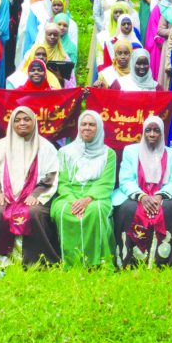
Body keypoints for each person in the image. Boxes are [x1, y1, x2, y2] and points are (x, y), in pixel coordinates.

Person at [0, 106, 61, 267]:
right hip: (4, 196)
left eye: (26, 119)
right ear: (11, 124)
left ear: (34, 122)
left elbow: (52, 175)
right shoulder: (0, 146)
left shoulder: (45, 147)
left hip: (33, 196)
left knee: (33, 212)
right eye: (17, 120)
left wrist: (36, 195)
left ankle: (36, 260)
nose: (22, 123)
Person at [50, 111, 117, 268]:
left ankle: (97, 262)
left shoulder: (109, 154)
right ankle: (70, 262)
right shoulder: (65, 152)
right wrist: (74, 201)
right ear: (79, 127)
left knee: (96, 210)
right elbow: (63, 182)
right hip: (69, 196)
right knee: (63, 211)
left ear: (99, 128)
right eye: (84, 124)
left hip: (96, 197)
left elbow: (106, 183)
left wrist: (87, 199)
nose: (87, 128)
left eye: (92, 125)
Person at [113, 116, 172, 268]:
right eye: (148, 130)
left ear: (162, 133)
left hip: (162, 194)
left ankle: (163, 261)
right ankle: (130, 259)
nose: (152, 134)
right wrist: (142, 196)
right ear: (143, 133)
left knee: (169, 208)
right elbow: (125, 180)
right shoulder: (131, 151)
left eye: (156, 130)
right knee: (128, 209)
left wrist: (159, 196)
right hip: (136, 193)